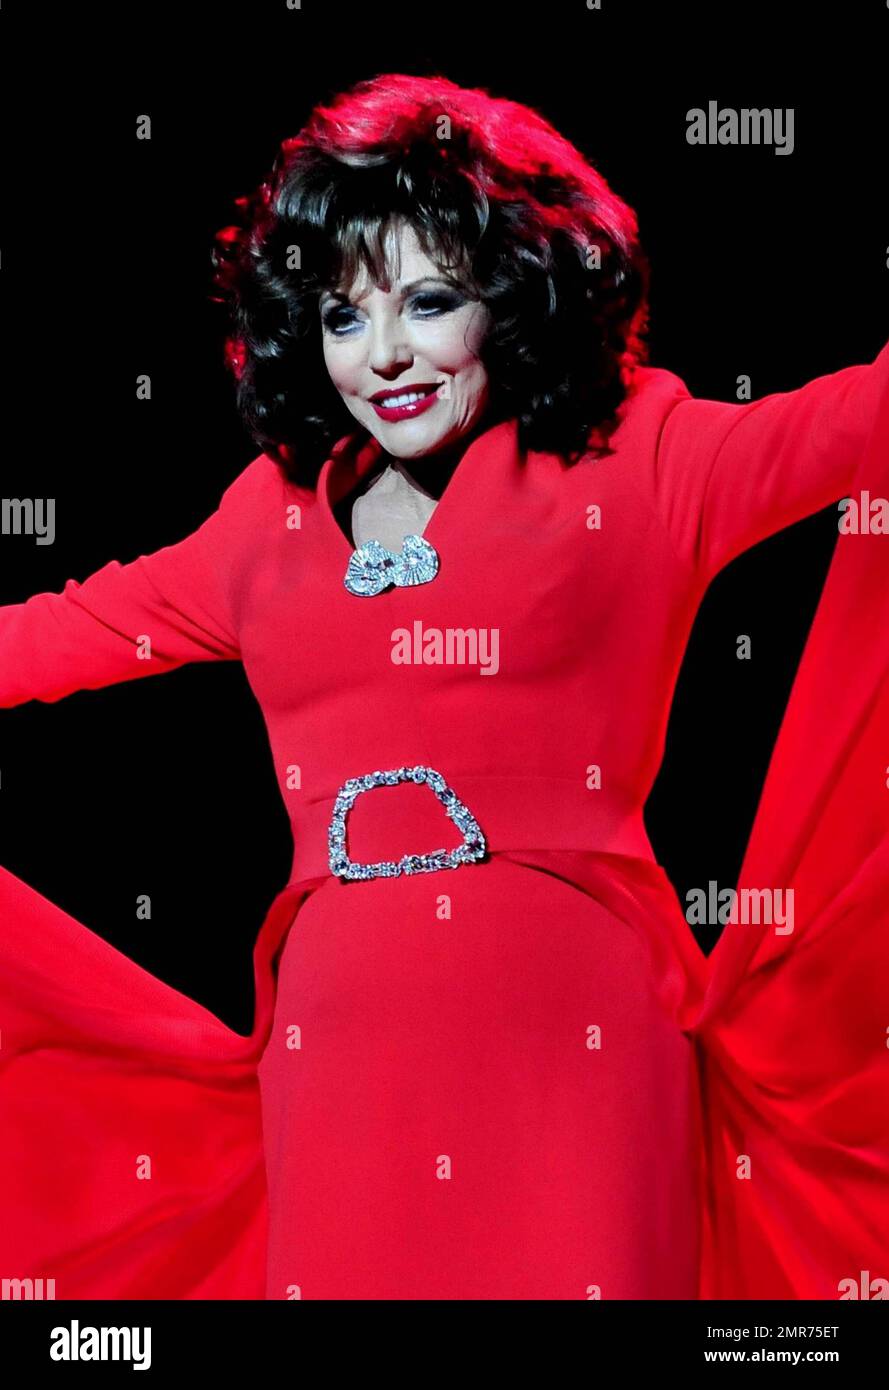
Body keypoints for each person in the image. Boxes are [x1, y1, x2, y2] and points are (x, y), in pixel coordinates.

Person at [1, 72, 887, 1301]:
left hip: (572, 1052)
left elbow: (862, 420)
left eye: (429, 302)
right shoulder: (265, 524)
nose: (387, 355)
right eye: (343, 315)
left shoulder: (643, 458)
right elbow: (41, 641)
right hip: (336, 1067)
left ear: (517, 299)